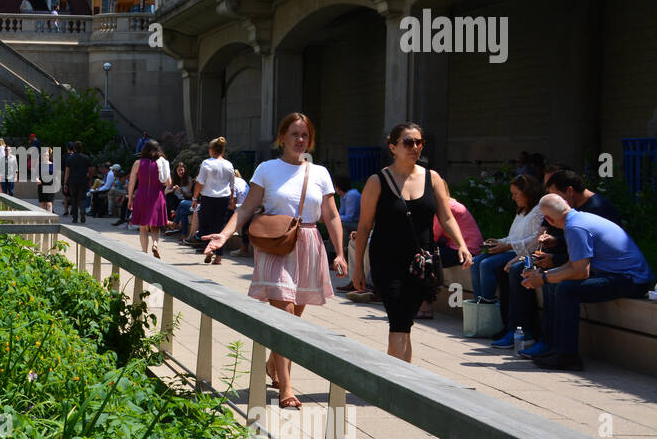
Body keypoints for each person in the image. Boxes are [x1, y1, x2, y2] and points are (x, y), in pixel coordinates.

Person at [202, 114, 345, 409]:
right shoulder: (267, 169)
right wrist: (224, 236)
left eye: (305, 135)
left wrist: (341, 252)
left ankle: (273, 363)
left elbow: (331, 215)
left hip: (308, 245)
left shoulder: (320, 173)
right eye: (294, 134)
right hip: (276, 247)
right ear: (282, 137)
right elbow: (246, 209)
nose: (299, 140)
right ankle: (287, 387)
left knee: (293, 318)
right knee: (285, 315)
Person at [351, 121, 472, 364]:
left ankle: (402, 381)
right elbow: (364, 227)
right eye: (408, 142)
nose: (414, 147)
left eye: (419, 142)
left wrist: (461, 244)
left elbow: (446, 216)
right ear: (393, 147)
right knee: (398, 320)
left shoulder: (432, 178)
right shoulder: (377, 182)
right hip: (387, 261)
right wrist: (357, 268)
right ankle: (396, 383)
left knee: (405, 322)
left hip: (421, 263)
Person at [517, 194, 654, 370]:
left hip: (632, 280)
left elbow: (581, 272)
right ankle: (555, 348)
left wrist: (543, 278)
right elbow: (572, 264)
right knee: (556, 284)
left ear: (549, 220)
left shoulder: (575, 227)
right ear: (566, 204)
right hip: (623, 276)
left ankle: (567, 356)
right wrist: (544, 275)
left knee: (566, 290)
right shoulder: (578, 218)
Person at [476, 176, 544, 343]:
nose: (513, 197)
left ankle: (506, 322)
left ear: (528, 192)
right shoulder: (522, 211)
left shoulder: (538, 212)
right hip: (514, 250)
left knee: (490, 265)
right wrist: (500, 242)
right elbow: (513, 236)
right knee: (476, 261)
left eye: (516, 193)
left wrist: (507, 246)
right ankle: (482, 311)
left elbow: (534, 242)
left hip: (525, 254)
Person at [128, 140, 171, 257]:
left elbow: (131, 183)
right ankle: (155, 244)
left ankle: (144, 253)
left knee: (143, 228)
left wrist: (130, 199)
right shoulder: (162, 163)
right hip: (157, 196)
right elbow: (168, 183)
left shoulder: (138, 163)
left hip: (142, 195)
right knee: (155, 226)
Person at [191, 137, 234, 252]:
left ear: (211, 149)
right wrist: (231, 200)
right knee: (220, 226)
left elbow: (200, 182)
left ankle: (208, 249)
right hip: (224, 198)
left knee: (206, 224)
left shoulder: (206, 163)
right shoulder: (229, 164)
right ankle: (219, 255)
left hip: (208, 197)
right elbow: (232, 185)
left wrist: (195, 198)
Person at [63, 141, 90, 224]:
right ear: (81, 148)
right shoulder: (86, 158)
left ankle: (75, 217)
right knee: (82, 198)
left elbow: (67, 172)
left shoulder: (70, 158)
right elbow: (89, 171)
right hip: (83, 181)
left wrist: (65, 183)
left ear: (74, 148)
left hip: (72, 181)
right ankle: (82, 212)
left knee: (73, 199)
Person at [164, 161, 194, 236]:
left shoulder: (189, 180)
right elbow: (165, 191)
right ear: (176, 171)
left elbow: (190, 195)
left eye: (182, 170)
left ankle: (174, 225)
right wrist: (172, 190)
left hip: (186, 199)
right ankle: (179, 230)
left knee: (183, 209)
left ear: (185, 170)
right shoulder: (174, 180)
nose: (181, 172)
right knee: (169, 196)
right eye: (179, 170)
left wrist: (183, 192)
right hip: (175, 201)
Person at [38, 147, 59, 212]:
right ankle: (43, 220)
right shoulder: (39, 165)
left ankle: (49, 220)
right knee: (42, 204)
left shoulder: (52, 165)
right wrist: (37, 179)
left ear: (49, 156)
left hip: (50, 186)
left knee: (49, 204)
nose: (45, 157)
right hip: (41, 186)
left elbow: (55, 177)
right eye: (44, 155)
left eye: (47, 155)